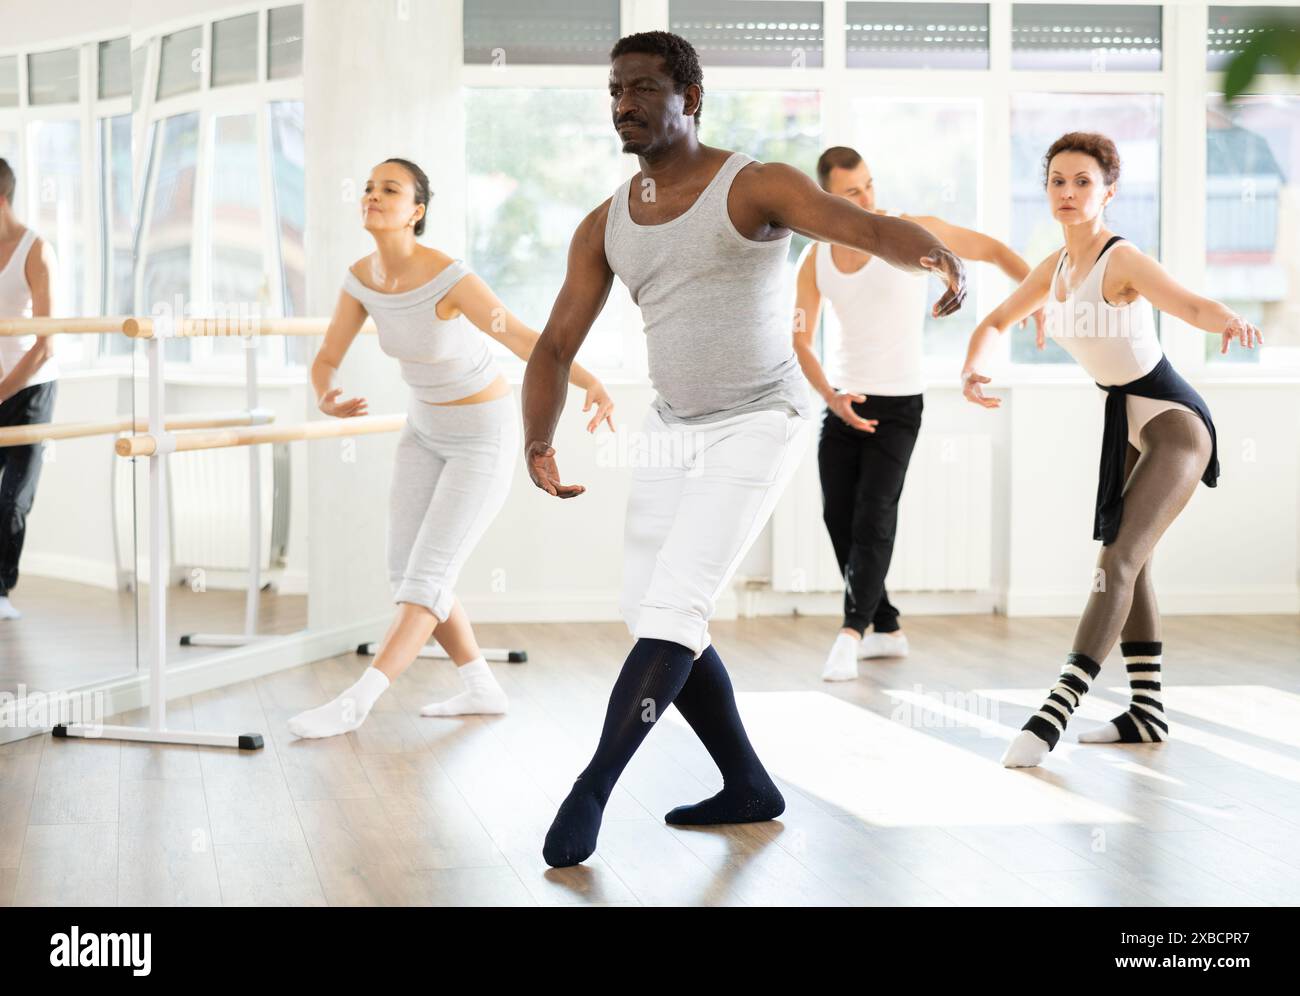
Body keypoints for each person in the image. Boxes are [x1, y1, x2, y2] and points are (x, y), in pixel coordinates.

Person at [522, 31, 966, 867]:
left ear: (692, 97)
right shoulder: (605, 223)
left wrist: (936, 257)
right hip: (672, 425)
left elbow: (865, 228)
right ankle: (748, 785)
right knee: (649, 609)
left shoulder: (754, 184)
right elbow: (552, 346)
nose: (624, 103)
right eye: (616, 89)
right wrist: (537, 437)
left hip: (762, 417)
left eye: (645, 87)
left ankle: (592, 790)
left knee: (676, 606)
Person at [960, 132, 1261, 768]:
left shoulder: (1117, 259)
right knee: (1136, 563)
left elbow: (1186, 303)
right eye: (1057, 181)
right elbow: (995, 323)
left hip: (1175, 424)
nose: (1067, 193)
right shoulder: (1056, 268)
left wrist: (1229, 320)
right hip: (1124, 422)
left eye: (1083, 182)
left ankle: (1055, 710)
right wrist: (973, 370)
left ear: (1109, 193)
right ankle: (1146, 713)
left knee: (1117, 560)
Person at [287, 157, 614, 738]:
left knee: (427, 577)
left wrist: (589, 381)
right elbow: (326, 359)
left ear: (416, 212)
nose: (372, 196)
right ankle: (482, 687)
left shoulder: (448, 277)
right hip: (424, 428)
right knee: (408, 573)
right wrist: (326, 395)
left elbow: (519, 334)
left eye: (389, 189)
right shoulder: (362, 277)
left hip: (481, 433)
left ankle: (356, 702)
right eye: (367, 188)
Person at [794, 146, 1040, 681]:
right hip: (841, 403)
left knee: (873, 520)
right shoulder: (814, 259)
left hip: (899, 403)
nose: (866, 199)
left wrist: (1035, 299)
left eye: (868, 185)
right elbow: (801, 340)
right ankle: (888, 628)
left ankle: (851, 633)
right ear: (825, 201)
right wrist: (830, 396)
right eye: (850, 193)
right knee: (838, 517)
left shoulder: (909, 232)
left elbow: (994, 251)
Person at [0, 158, 59, 622]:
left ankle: (1, 590)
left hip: (31, 387)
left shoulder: (36, 251)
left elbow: (45, 344)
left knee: (14, 495)